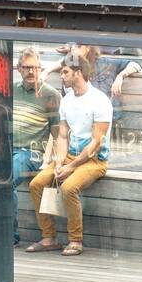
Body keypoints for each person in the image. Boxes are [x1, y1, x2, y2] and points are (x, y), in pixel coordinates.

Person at [26, 51, 111, 256]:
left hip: (94, 160)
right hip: (70, 156)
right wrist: (58, 163)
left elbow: (95, 143)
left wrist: (70, 168)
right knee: (36, 184)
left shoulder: (99, 101)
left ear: (78, 73)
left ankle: (76, 240)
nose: (61, 76)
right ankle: (49, 237)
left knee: (68, 187)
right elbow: (62, 136)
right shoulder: (67, 100)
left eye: (65, 72)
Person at [11, 47, 61, 245]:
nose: (31, 72)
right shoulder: (10, 90)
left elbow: (58, 135)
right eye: (26, 68)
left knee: (5, 181)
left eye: (35, 68)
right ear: (18, 69)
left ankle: (9, 236)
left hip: (32, 153)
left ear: (41, 69)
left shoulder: (50, 95)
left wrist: (55, 162)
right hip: (6, 150)